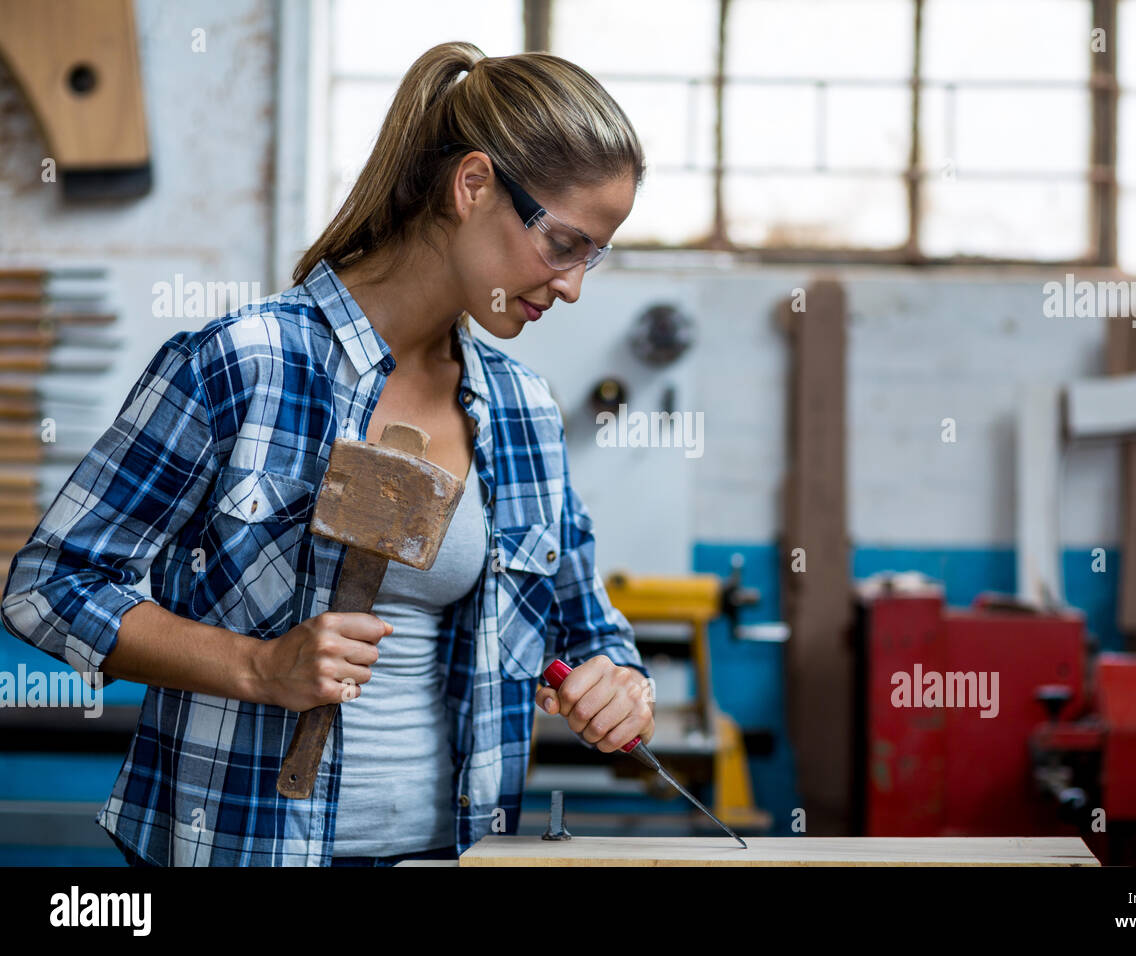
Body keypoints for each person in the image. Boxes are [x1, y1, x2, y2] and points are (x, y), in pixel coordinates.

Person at [0, 40, 654, 867]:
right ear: (474, 185)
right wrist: (258, 666)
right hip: (244, 849)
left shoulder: (522, 409)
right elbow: (48, 588)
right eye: (564, 243)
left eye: (594, 255)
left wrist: (620, 684)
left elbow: (589, 629)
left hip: (450, 855)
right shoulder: (244, 365)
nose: (572, 286)